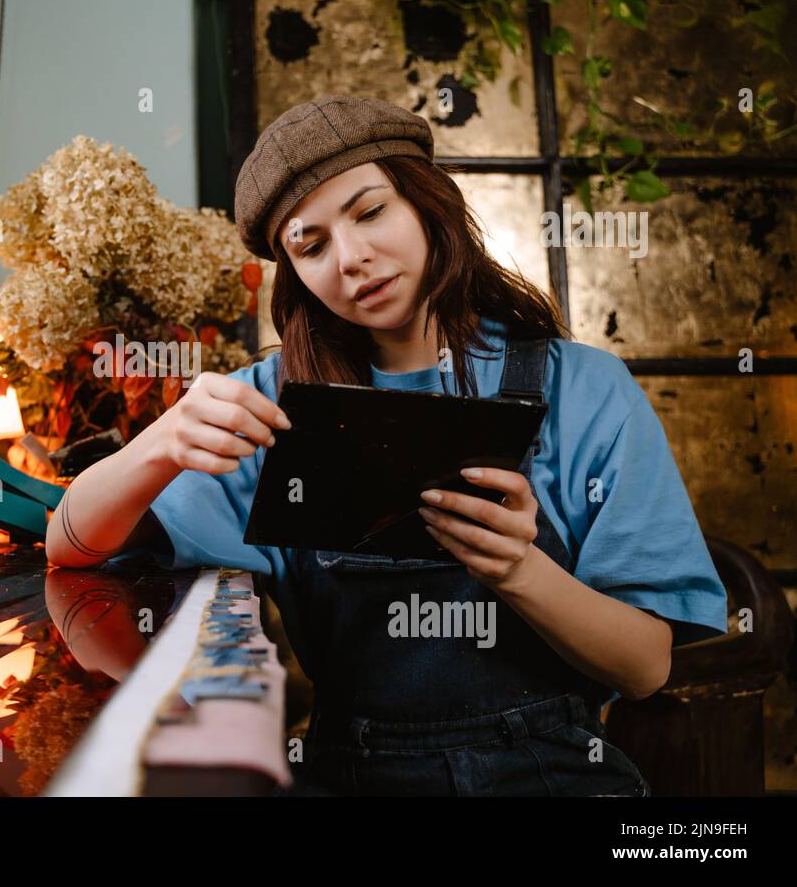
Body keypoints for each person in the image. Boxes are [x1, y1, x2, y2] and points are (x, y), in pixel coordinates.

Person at [44, 95, 728, 796]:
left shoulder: (586, 388)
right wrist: (160, 441)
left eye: (370, 211)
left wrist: (520, 569)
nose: (354, 258)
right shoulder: (274, 406)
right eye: (311, 245)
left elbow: (646, 666)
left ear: (427, 202)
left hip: (552, 770)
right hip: (351, 771)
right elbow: (70, 545)